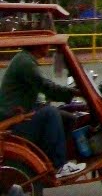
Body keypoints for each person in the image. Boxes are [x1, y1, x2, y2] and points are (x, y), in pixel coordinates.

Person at [0, 47, 84, 177]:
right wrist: (74, 92)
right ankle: (58, 165)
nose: (48, 47)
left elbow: (44, 86)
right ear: (38, 45)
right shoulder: (25, 63)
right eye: (47, 44)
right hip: (12, 121)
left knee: (68, 118)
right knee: (51, 113)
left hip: (19, 111)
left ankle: (52, 158)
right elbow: (45, 86)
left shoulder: (25, 59)